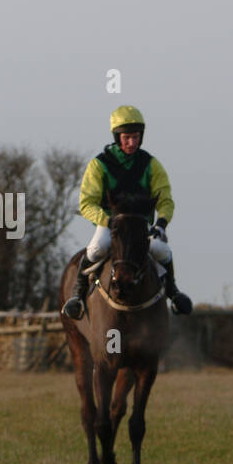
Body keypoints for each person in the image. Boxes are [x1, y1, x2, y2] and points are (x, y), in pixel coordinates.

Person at [63, 105, 190, 319]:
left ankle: (173, 293)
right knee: (96, 249)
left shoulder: (151, 164)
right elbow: (86, 203)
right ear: (117, 137)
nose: (132, 142)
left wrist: (161, 223)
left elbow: (166, 199)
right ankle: (77, 296)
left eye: (136, 137)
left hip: (141, 225)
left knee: (161, 250)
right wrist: (106, 220)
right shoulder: (99, 165)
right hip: (110, 226)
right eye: (127, 138)